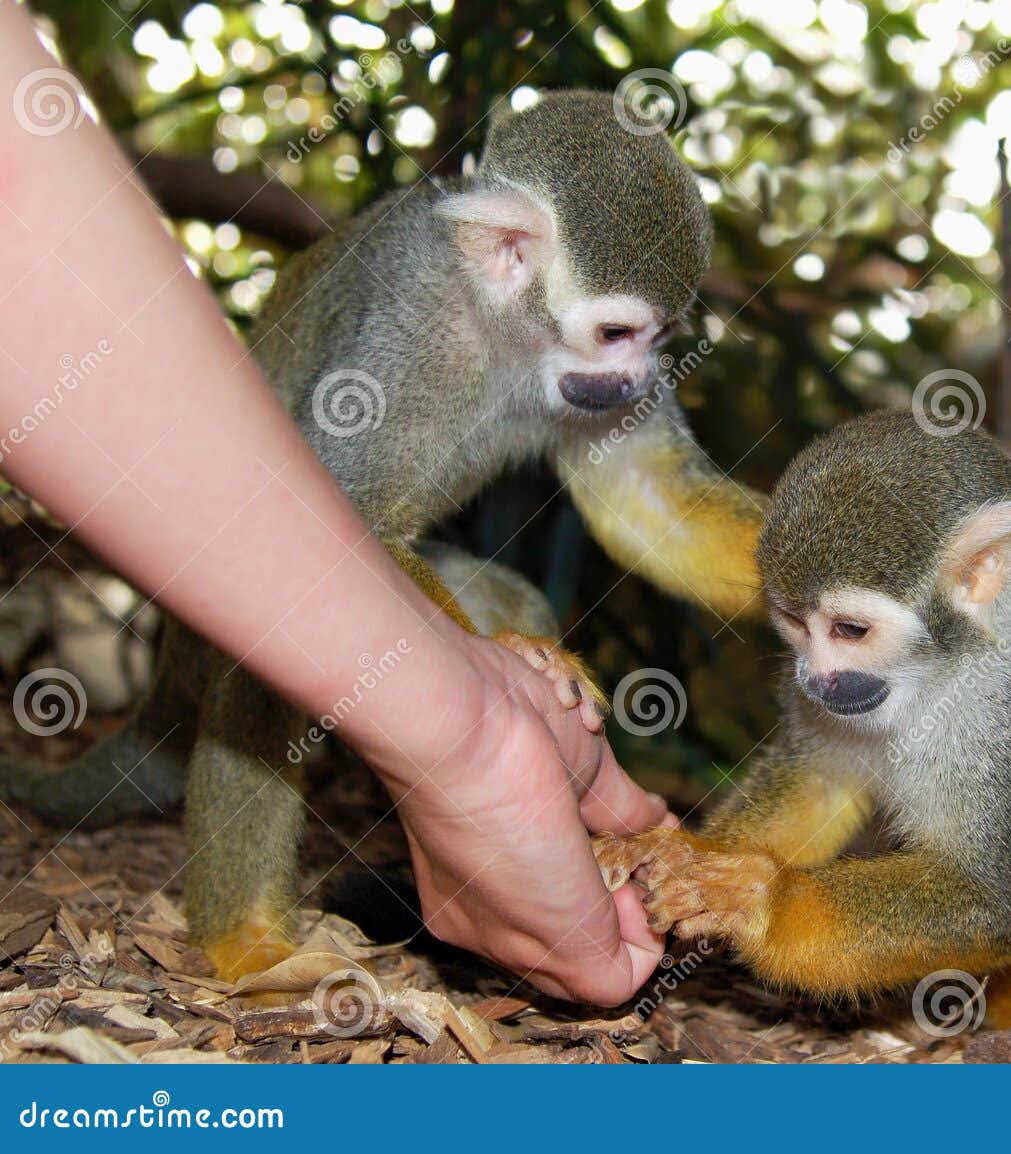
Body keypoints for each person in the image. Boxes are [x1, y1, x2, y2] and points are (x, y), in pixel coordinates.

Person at [0, 2, 667, 1005]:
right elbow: (337, 517)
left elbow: (666, 502)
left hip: (333, 550)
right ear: (507, 251)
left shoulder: (556, 334)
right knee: (260, 683)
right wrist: (455, 692)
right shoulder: (431, 291)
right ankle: (243, 931)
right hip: (247, 562)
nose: (633, 367)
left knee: (520, 616)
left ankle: (520, 824)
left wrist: (474, 711)